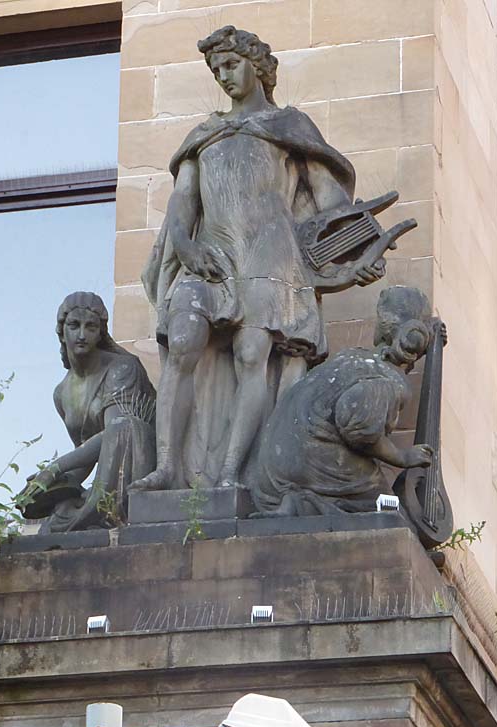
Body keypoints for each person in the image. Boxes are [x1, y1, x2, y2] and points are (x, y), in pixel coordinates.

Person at [132, 26, 390, 493]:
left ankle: (233, 473)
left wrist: (357, 258)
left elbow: (332, 205)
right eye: (216, 70)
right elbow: (183, 199)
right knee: (183, 338)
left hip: (270, 254)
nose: (224, 77)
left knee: (253, 355)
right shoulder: (205, 135)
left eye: (231, 65)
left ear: (258, 67)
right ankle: (167, 466)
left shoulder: (288, 126)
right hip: (212, 252)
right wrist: (185, 245)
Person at [253, 287, 436, 516]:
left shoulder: (354, 357)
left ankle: (301, 502)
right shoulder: (387, 381)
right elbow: (360, 432)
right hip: (313, 463)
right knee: (386, 508)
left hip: (272, 473)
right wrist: (402, 456)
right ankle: (306, 502)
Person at [21, 292, 155, 533]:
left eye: (91, 327)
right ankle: (87, 513)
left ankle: (105, 511)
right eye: (74, 325)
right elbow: (86, 453)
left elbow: (117, 434)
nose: (82, 335)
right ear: (62, 332)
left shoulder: (122, 368)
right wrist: (55, 485)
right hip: (109, 472)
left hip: (140, 463)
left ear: (101, 333)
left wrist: (54, 469)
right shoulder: (61, 393)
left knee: (122, 426)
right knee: (58, 519)